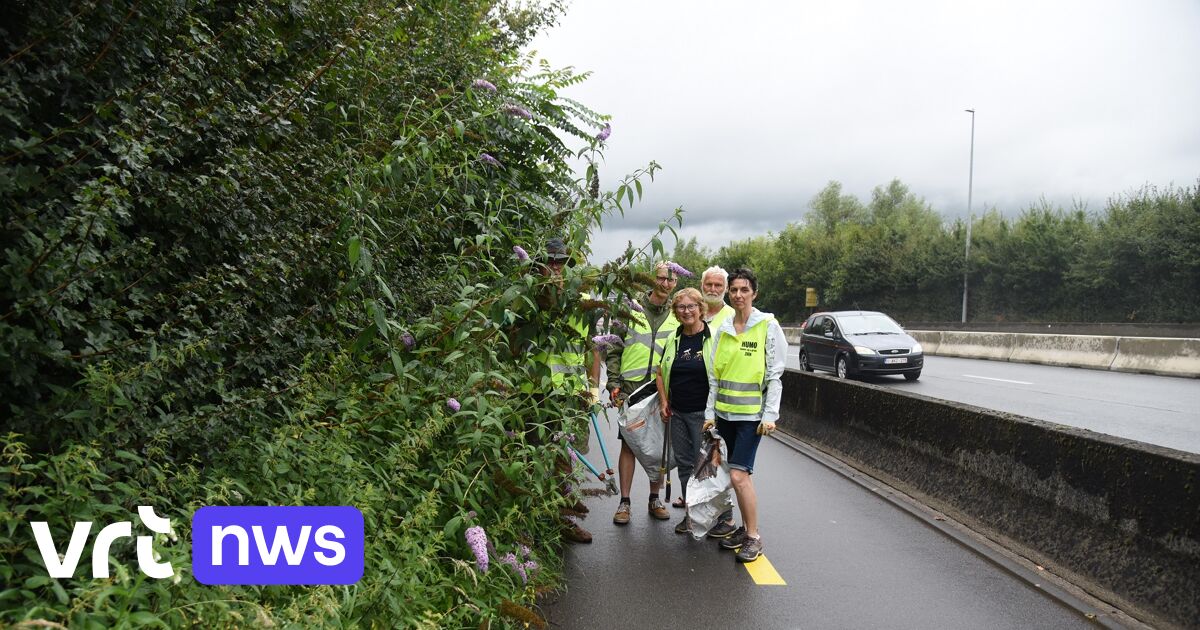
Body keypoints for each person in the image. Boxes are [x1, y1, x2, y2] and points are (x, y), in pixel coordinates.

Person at [519, 237, 600, 544]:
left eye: (561, 262)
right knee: (531, 457)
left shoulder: (583, 303)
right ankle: (525, 524)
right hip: (535, 394)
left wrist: (593, 390)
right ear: (538, 266)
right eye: (550, 262)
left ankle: (566, 519)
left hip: (572, 396)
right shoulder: (527, 301)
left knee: (567, 460)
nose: (555, 268)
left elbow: (592, 349)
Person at [704, 268, 788, 562]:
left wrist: (770, 415)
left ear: (755, 293)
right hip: (724, 415)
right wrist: (709, 413)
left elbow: (775, 375)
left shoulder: (767, 326)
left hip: (751, 419)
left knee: (740, 476)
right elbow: (715, 377)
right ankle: (743, 528)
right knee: (732, 476)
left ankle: (753, 537)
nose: (738, 295)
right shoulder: (724, 328)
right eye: (734, 290)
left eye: (744, 290)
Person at [604, 261, 679, 525]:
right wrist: (613, 382)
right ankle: (624, 502)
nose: (666, 284)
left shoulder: (677, 312)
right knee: (629, 444)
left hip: (661, 389)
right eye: (661, 278)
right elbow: (612, 348)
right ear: (651, 280)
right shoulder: (629, 309)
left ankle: (654, 499)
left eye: (671, 281)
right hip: (631, 388)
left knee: (657, 445)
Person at [654, 287, 712, 534]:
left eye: (691, 306)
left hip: (703, 414)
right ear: (675, 312)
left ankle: (714, 516)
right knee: (686, 465)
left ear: (701, 309)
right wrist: (664, 402)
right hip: (676, 412)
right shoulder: (672, 339)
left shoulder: (712, 338)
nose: (686, 311)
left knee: (705, 466)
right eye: (681, 307)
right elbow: (660, 372)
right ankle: (691, 515)